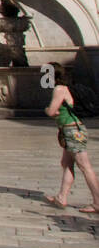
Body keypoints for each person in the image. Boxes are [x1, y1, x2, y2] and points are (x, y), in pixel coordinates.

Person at [44, 70, 99, 212]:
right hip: (70, 130)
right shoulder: (64, 88)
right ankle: (62, 197)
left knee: (85, 166)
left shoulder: (59, 89)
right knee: (66, 163)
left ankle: (98, 202)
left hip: (72, 131)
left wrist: (48, 109)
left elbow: (51, 111)